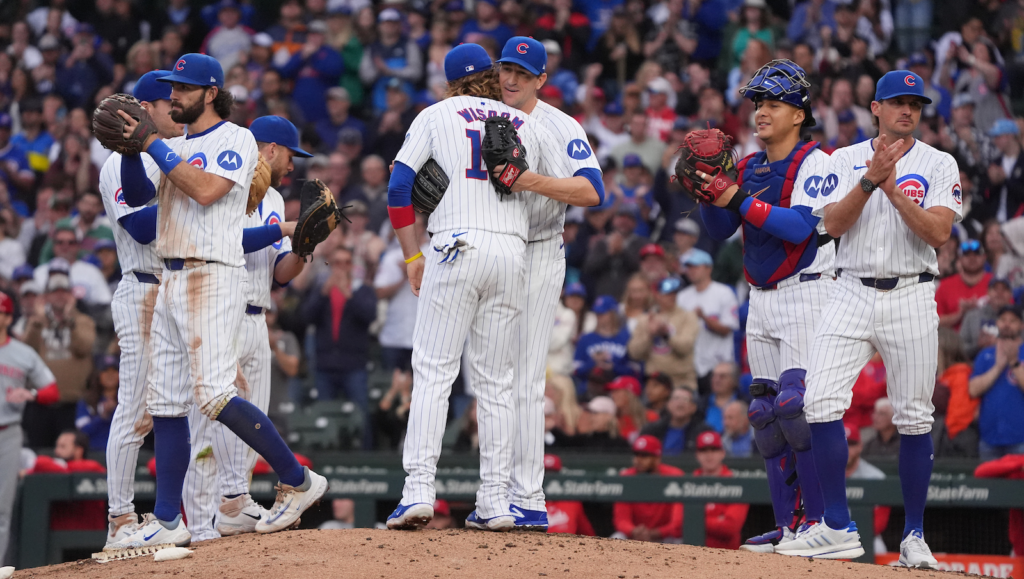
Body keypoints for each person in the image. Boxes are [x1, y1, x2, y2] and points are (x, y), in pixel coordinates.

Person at [111, 53, 327, 549]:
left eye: (183, 89)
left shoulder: (237, 139)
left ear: (210, 93)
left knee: (213, 395)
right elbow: (140, 193)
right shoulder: (176, 143)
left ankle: (298, 480)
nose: (173, 97)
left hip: (213, 274)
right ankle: (168, 520)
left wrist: (151, 143)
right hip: (169, 276)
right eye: (171, 89)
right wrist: (130, 149)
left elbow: (206, 190)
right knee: (164, 403)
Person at [382, 44, 574, 532]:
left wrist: (411, 254)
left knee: (434, 373)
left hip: (455, 245)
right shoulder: (522, 123)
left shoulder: (435, 113)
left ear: (449, 82)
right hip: (513, 254)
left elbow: (399, 189)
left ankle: (419, 490)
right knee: (496, 383)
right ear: (491, 77)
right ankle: (495, 502)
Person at [783, 70, 961, 566]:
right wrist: (868, 179)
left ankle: (913, 536)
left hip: (911, 292)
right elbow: (832, 225)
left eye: (915, 103)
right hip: (849, 287)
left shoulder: (938, 162)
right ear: (875, 108)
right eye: (897, 102)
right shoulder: (842, 159)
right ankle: (837, 526)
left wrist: (892, 189)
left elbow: (939, 234)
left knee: (913, 415)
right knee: (818, 402)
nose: (907, 110)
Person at [694, 62, 835, 557]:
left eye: (772, 104)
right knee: (762, 412)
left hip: (807, 291)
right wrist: (709, 191)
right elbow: (717, 232)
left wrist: (733, 196)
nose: (761, 113)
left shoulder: (817, 161)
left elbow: (801, 229)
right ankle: (787, 526)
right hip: (761, 299)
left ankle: (820, 522)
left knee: (796, 405)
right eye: (757, 105)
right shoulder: (749, 166)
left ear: (799, 113)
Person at [183, 115, 311, 541]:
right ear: (271, 149)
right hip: (221, 308)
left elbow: (280, 271)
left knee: (249, 423)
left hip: (258, 316)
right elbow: (225, 238)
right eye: (291, 155)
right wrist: (283, 228)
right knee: (209, 419)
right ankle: (200, 524)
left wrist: (305, 246)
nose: (294, 166)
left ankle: (235, 502)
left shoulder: (273, 196)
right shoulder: (225, 179)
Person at [97, 70, 184, 546]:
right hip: (143, 289)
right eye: (173, 101)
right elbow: (143, 228)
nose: (182, 107)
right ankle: (120, 520)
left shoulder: (179, 151)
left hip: (179, 289)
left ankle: (188, 514)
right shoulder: (119, 163)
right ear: (148, 108)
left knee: (185, 408)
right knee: (136, 411)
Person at [0, 291, 58, 564]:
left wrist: (31, 394)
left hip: (8, 432)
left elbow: (52, 390)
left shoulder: (22, 353)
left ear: (8, 317)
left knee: (1, 511)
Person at [676, 249, 739, 395]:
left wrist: (704, 318)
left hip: (717, 364)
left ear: (708, 268)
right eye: (689, 267)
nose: (691, 271)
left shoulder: (723, 292)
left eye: (696, 267)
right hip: (690, 365)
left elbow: (728, 329)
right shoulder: (682, 296)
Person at [968, 306, 1024, 460]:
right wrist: (998, 367)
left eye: (1012, 321)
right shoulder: (985, 354)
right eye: (1003, 320)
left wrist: (1014, 362)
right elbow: (973, 389)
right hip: (989, 439)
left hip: (1020, 439)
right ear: (997, 323)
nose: (1006, 324)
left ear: (1021, 325)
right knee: (988, 484)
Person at [627, 277, 699, 390]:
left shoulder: (688, 316)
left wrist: (666, 335)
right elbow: (634, 353)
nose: (672, 296)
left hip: (681, 381)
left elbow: (685, 347)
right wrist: (650, 335)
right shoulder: (645, 319)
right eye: (667, 293)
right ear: (656, 295)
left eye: (674, 293)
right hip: (654, 382)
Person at [612, 435, 683, 543]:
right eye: (636, 455)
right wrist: (634, 531)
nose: (638, 460)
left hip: (664, 536)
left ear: (657, 458)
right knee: (616, 538)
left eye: (644, 455)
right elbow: (621, 520)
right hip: (635, 535)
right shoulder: (626, 477)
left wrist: (654, 533)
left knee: (680, 540)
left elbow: (677, 523)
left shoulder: (674, 476)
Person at [692, 431, 750, 549]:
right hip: (690, 554)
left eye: (713, 450)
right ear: (697, 455)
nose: (709, 455)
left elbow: (730, 528)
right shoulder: (689, 483)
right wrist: (717, 520)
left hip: (726, 557)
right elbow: (677, 526)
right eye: (704, 450)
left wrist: (695, 519)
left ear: (722, 453)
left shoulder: (735, 483)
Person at [573, 296, 638, 397]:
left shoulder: (626, 337)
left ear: (613, 314)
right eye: (597, 313)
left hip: (618, 389)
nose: (599, 316)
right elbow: (576, 371)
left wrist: (613, 366)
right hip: (589, 390)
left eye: (602, 313)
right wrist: (594, 362)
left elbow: (635, 371)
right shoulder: (586, 338)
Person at [936, 239, 991, 330]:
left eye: (976, 254)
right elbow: (934, 322)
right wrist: (960, 314)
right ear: (959, 259)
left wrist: (979, 309)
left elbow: (1006, 315)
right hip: (953, 340)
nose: (972, 258)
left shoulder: (995, 282)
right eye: (966, 255)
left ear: (984, 257)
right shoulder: (945, 285)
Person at [640, 387, 712, 455]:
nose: (680, 403)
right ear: (668, 404)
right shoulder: (651, 430)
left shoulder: (704, 432)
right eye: (676, 398)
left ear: (693, 408)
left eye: (685, 399)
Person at [961, 277, 1014, 358]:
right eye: (995, 289)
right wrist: (977, 346)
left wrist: (1000, 343)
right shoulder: (972, 316)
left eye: (1004, 289)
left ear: (1011, 294)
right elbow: (959, 348)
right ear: (988, 292)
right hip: (975, 364)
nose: (999, 293)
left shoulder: (1019, 318)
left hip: (1010, 366)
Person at [75, 354, 119, 451]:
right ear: (98, 374)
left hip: (123, 451)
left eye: (114, 371)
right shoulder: (87, 401)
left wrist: (116, 409)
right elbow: (83, 430)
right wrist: (103, 415)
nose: (110, 375)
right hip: (94, 452)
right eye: (105, 371)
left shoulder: (129, 399)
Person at [542, 454, 594, 536]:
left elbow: (587, 532)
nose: (549, 477)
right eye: (545, 473)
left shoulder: (572, 501)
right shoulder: (529, 502)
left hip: (565, 546)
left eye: (553, 473)